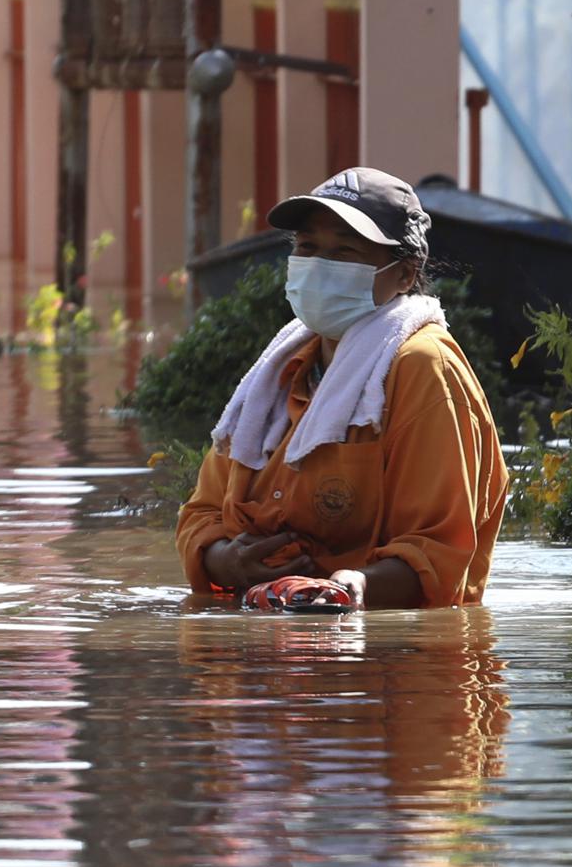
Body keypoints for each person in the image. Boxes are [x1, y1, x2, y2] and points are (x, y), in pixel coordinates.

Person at [177, 168, 509, 611]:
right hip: (271, 639)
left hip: (381, 656)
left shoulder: (422, 367)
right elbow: (201, 514)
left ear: (405, 274)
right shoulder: (281, 370)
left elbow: (439, 551)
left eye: (344, 252)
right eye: (308, 248)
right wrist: (227, 561)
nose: (319, 265)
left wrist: (351, 589)